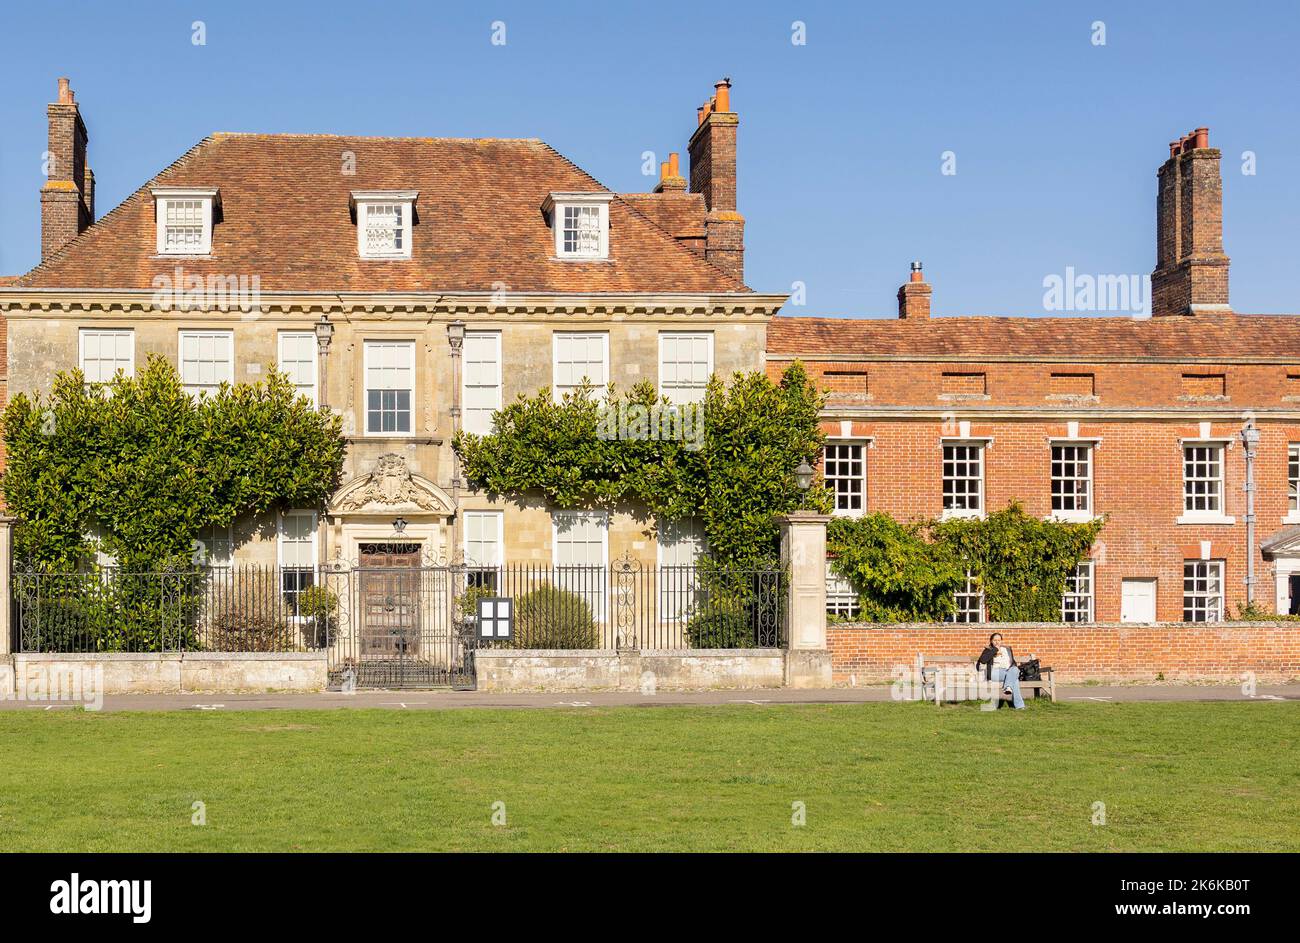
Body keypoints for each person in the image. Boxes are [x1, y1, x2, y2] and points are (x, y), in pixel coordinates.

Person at [976, 632, 1025, 709]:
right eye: (995, 640)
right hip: (994, 672)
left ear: (1001, 641)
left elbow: (1012, 662)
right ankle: (1019, 705)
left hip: (1008, 671)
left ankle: (1008, 687)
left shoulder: (1007, 649)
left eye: (999, 640)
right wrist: (995, 650)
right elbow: (983, 660)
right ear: (991, 641)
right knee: (1014, 680)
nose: (997, 642)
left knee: (1015, 670)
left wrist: (1012, 668)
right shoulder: (988, 649)